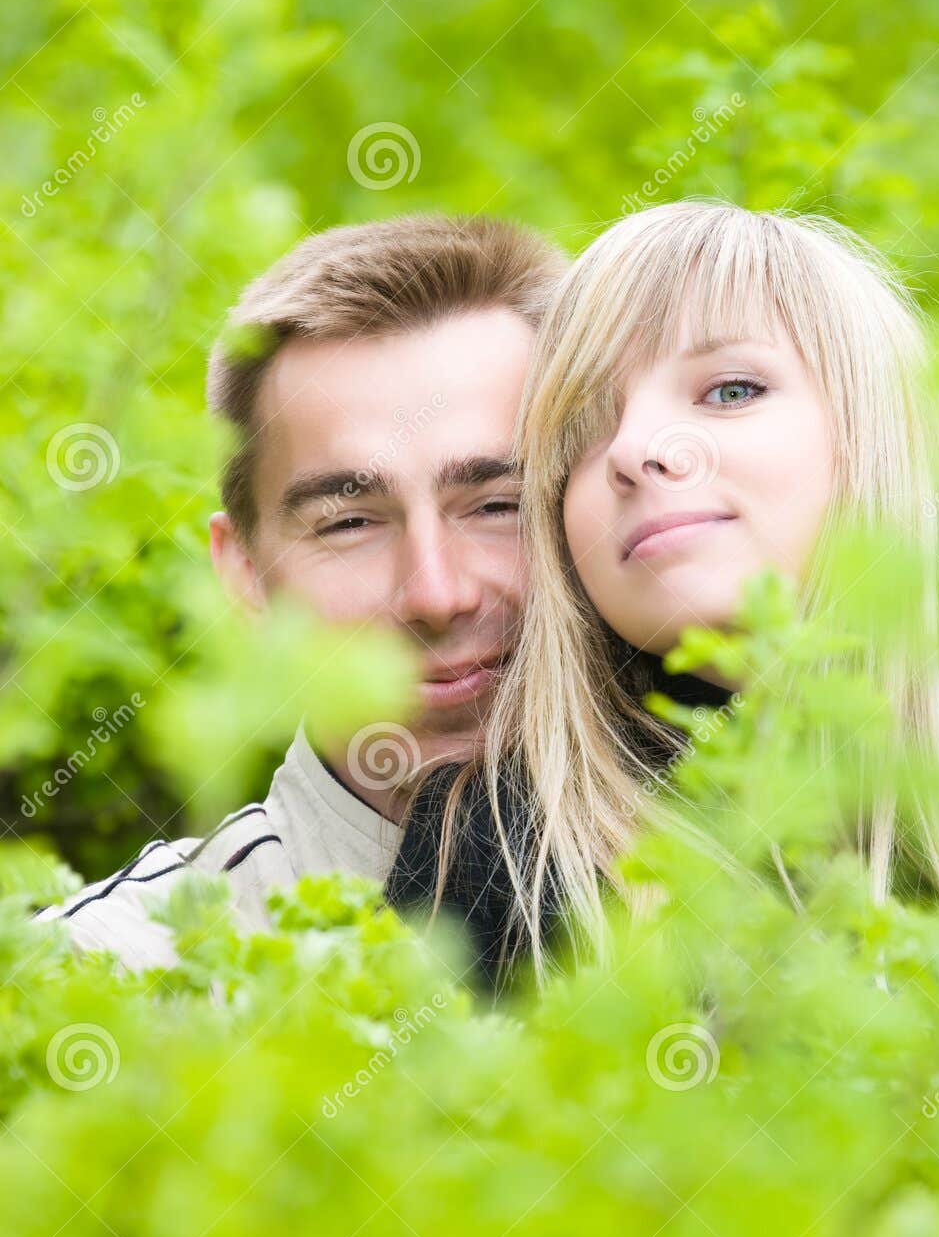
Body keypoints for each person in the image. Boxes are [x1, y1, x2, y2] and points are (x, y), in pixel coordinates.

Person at [393, 200, 939, 984]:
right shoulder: (496, 842)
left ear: (875, 430)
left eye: (730, 390)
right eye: (581, 433)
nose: (636, 449)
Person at [36, 213, 566, 978]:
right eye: (349, 522)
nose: (436, 593)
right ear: (245, 575)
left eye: (496, 504)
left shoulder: (770, 878)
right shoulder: (107, 981)